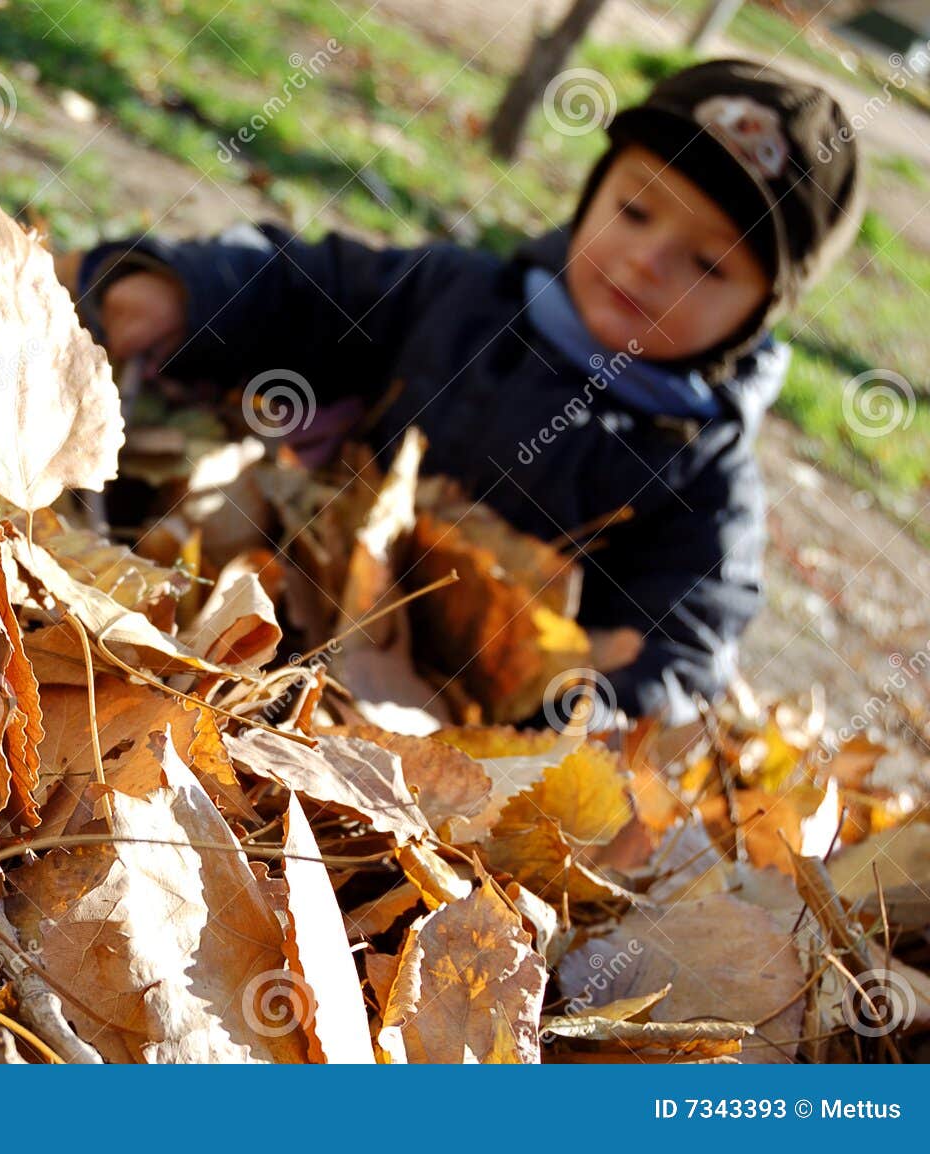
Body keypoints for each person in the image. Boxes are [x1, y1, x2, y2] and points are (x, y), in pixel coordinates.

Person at [69, 58, 862, 728]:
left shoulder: (700, 476)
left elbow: (686, 649)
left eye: (708, 265)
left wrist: (584, 719)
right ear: (592, 195)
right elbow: (310, 290)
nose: (649, 261)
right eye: (635, 210)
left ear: (755, 318)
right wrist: (192, 293)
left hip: (451, 749)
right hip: (276, 627)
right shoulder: (460, 296)